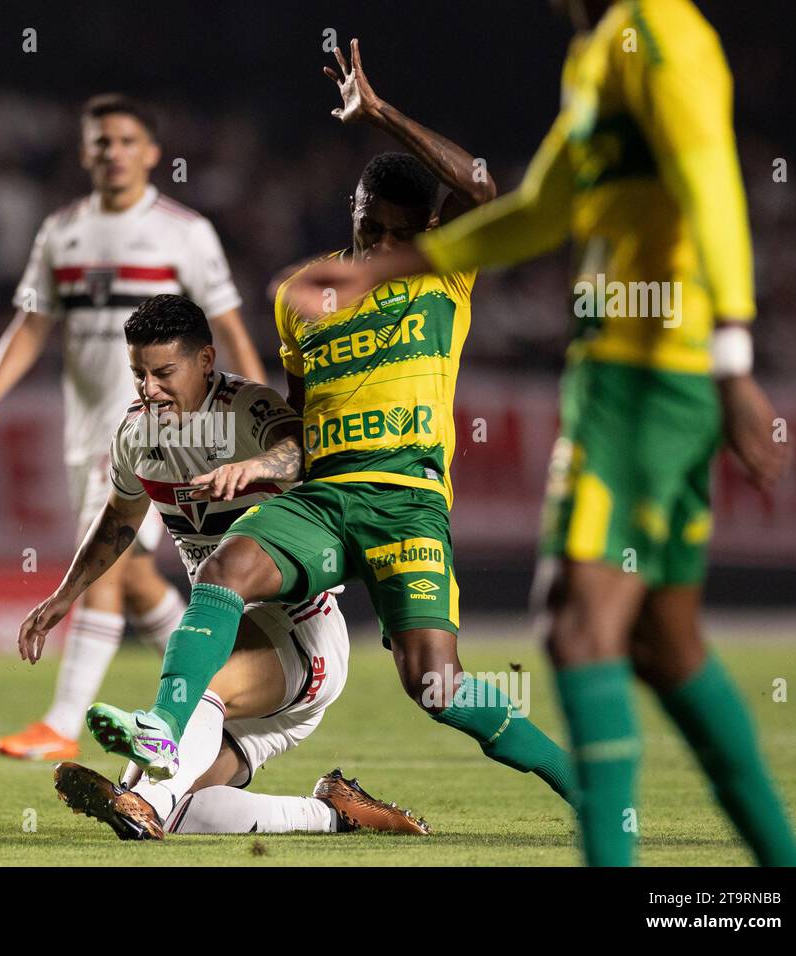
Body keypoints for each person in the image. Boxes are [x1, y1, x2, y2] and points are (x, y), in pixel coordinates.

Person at [280, 2, 796, 866]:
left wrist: (733, 357)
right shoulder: (599, 55)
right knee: (667, 647)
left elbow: (711, 181)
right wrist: (391, 262)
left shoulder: (662, 35)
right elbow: (540, 210)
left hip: (653, 372)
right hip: (611, 371)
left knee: (575, 628)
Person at [86, 41, 578, 812]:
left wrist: (380, 114)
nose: (378, 244)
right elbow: (305, 422)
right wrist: (267, 468)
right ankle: (163, 728)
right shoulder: (302, 292)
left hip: (408, 498)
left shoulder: (445, 268)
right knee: (224, 570)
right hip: (324, 497)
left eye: (396, 232)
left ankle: (578, 779)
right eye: (366, 225)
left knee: (434, 684)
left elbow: (482, 182)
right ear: (350, 212)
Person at [21, 294, 428, 838]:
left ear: (206, 360)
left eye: (164, 372)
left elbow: (302, 450)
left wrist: (254, 467)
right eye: (139, 374)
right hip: (225, 641)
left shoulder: (246, 408)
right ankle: (336, 814)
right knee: (174, 810)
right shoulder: (135, 434)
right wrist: (65, 595)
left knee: (179, 728)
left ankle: (148, 787)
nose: (150, 388)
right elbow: (120, 515)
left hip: (299, 633)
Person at [0, 94, 266, 761]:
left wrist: (265, 415)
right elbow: (32, 324)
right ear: (84, 152)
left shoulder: (184, 232)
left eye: (127, 140)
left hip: (165, 431)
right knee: (128, 576)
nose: (114, 152)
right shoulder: (61, 231)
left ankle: (62, 724)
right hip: (86, 433)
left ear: (152, 153)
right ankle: (218, 686)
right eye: (101, 141)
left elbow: (231, 329)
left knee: (113, 562)